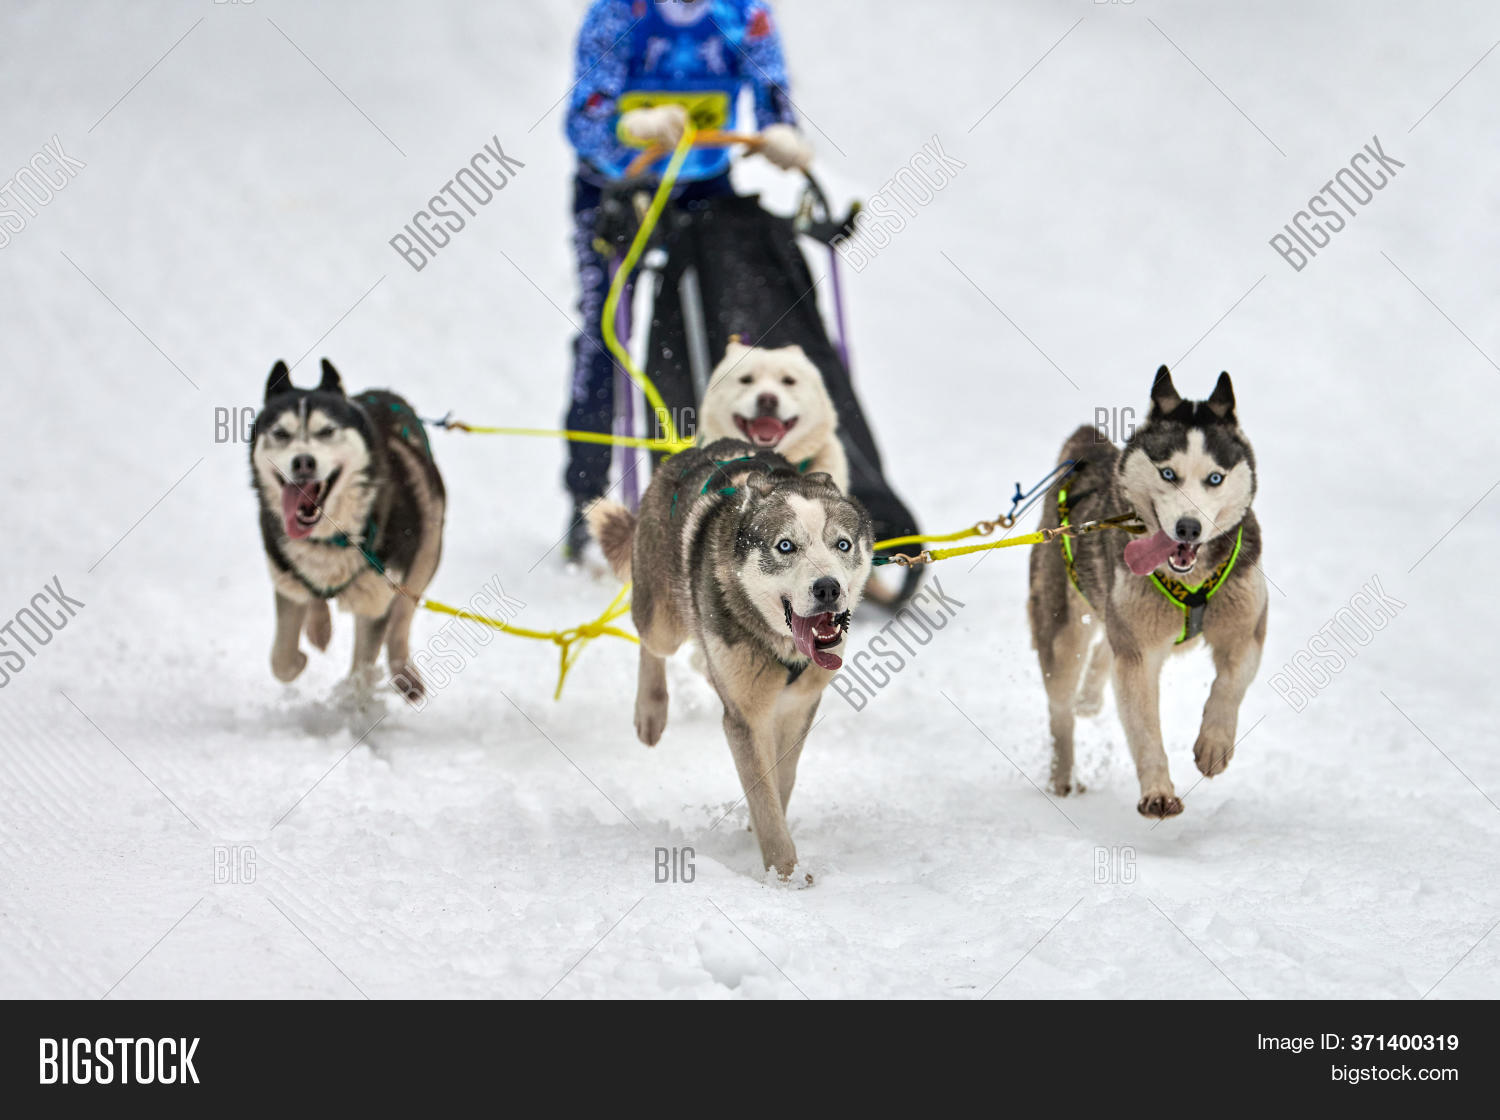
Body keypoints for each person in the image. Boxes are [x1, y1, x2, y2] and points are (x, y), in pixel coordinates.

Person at [560, 0, 814, 561]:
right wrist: (629, 126)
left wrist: (781, 133)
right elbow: (581, 117)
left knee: (735, 327)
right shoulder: (617, 12)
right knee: (606, 332)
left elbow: (772, 88)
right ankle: (586, 498)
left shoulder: (743, 13)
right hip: (616, 187)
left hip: (704, 181)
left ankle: (742, 491)